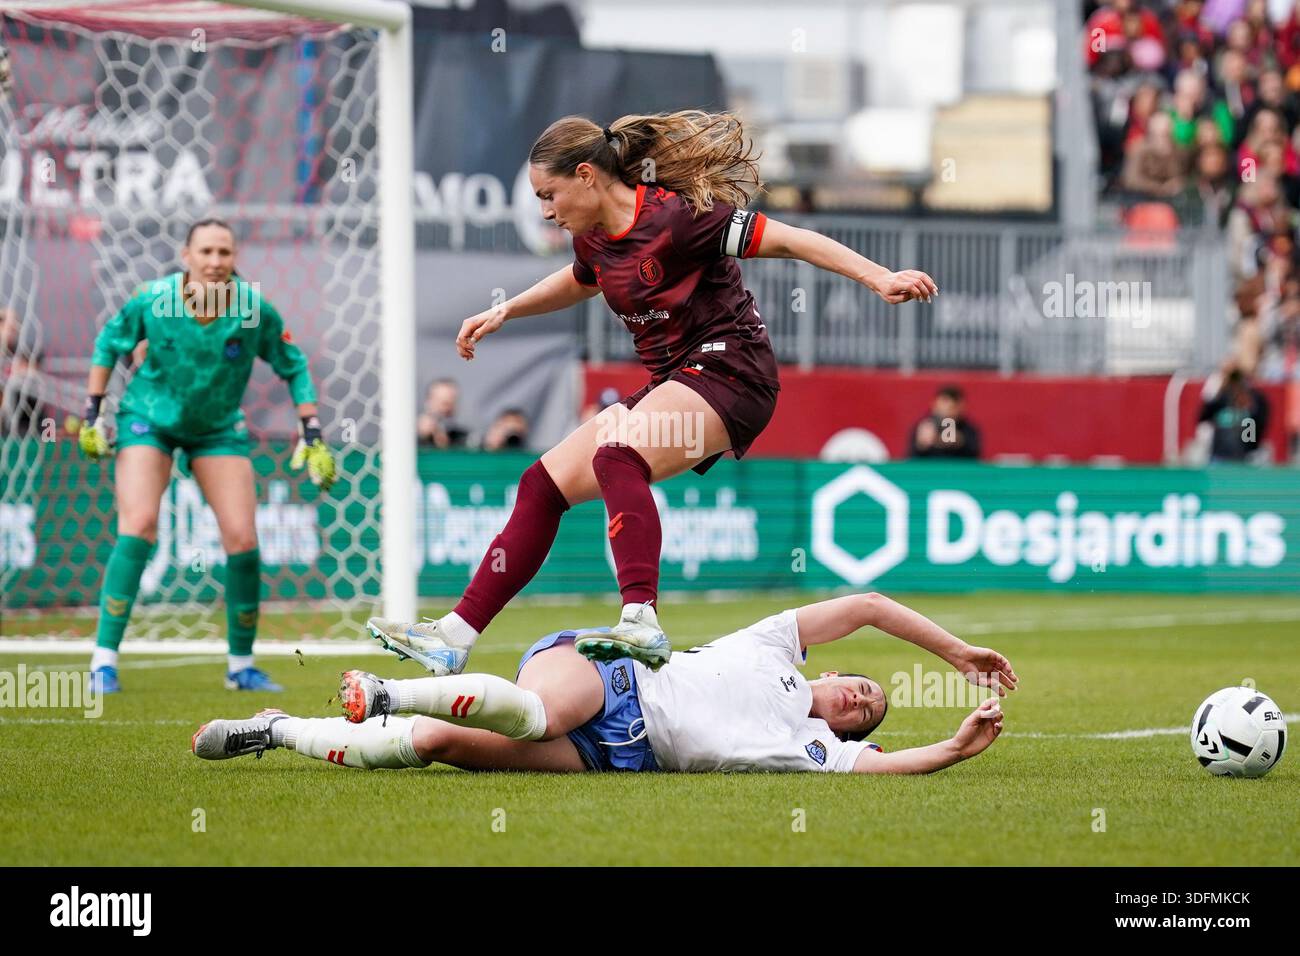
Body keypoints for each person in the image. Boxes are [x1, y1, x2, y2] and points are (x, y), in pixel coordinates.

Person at [366, 109, 938, 676]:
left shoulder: (683, 218)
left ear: (587, 175)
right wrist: (507, 309)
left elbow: (792, 241)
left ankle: (641, 619)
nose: (545, 211)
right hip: (676, 380)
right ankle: (454, 637)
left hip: (733, 374)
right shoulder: (593, 239)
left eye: (550, 194)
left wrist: (879, 277)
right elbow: (579, 281)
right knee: (540, 485)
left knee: (618, 453)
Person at [192, 591, 1015, 775]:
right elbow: (869, 604)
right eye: (861, 689)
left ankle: (278, 729)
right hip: (610, 677)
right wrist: (958, 652)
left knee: (436, 747)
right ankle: (388, 692)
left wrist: (950, 747)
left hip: (623, 753)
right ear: (830, 673)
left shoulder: (808, 750)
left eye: (863, 715)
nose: (857, 702)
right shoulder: (774, 648)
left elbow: (888, 768)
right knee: (540, 709)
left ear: (843, 733)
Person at [78, 217, 338, 694]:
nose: (216, 261)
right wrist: (94, 413)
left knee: (242, 539)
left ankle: (241, 667)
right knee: (137, 526)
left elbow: (293, 364)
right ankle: (103, 661)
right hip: (147, 419)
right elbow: (108, 344)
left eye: (224, 252)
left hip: (218, 428)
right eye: (206, 252)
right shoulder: (152, 299)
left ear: (235, 258)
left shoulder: (252, 307)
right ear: (186, 256)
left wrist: (312, 430)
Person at [1199, 365, 1271, 461]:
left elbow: (1259, 425)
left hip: (1245, 457)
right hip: (1220, 455)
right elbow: (1203, 417)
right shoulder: (1222, 398)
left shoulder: (1255, 399)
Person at [909, 385, 982, 459]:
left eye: (952, 407)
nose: (947, 411)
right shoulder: (923, 427)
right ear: (934, 405)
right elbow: (910, 458)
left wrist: (961, 442)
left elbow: (975, 457)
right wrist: (921, 445)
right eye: (944, 403)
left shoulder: (969, 429)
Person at [0, 306, 42, 435]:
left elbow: (33, 375)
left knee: (19, 381)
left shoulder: (26, 352)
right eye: (9, 325)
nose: (13, 330)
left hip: (21, 415)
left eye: (15, 326)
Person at [416, 377, 468, 448]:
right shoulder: (409, 433)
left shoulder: (463, 437)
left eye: (451, 402)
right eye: (443, 403)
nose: (446, 408)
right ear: (428, 401)